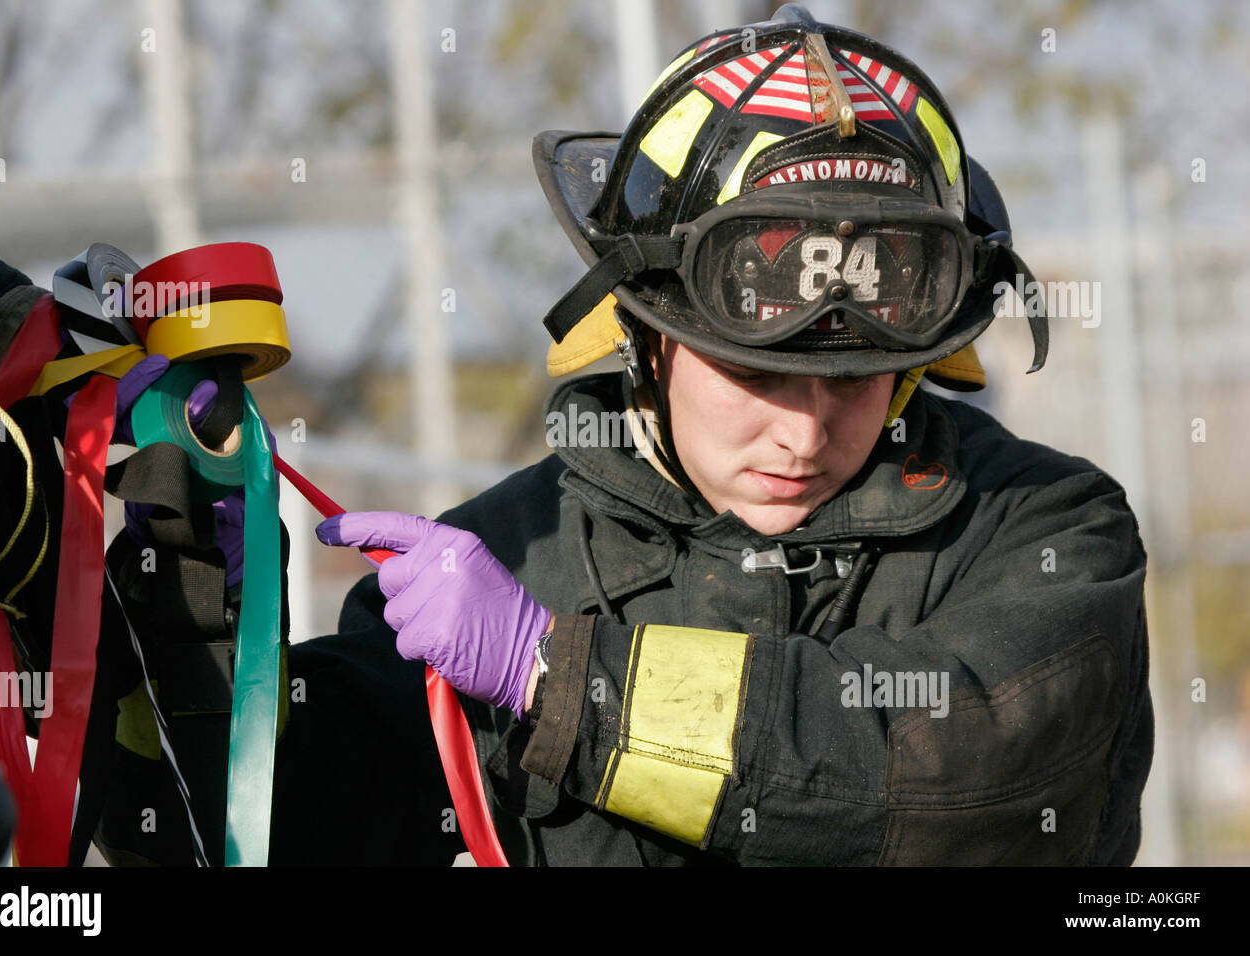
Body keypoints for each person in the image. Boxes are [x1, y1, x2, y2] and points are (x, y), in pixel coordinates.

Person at [285, 5, 1153, 866]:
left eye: (855, 378)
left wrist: (554, 678)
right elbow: (263, 822)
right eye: (757, 372)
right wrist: (196, 633)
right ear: (645, 339)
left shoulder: (1049, 533)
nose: (805, 432)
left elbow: (925, 777)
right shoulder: (493, 570)